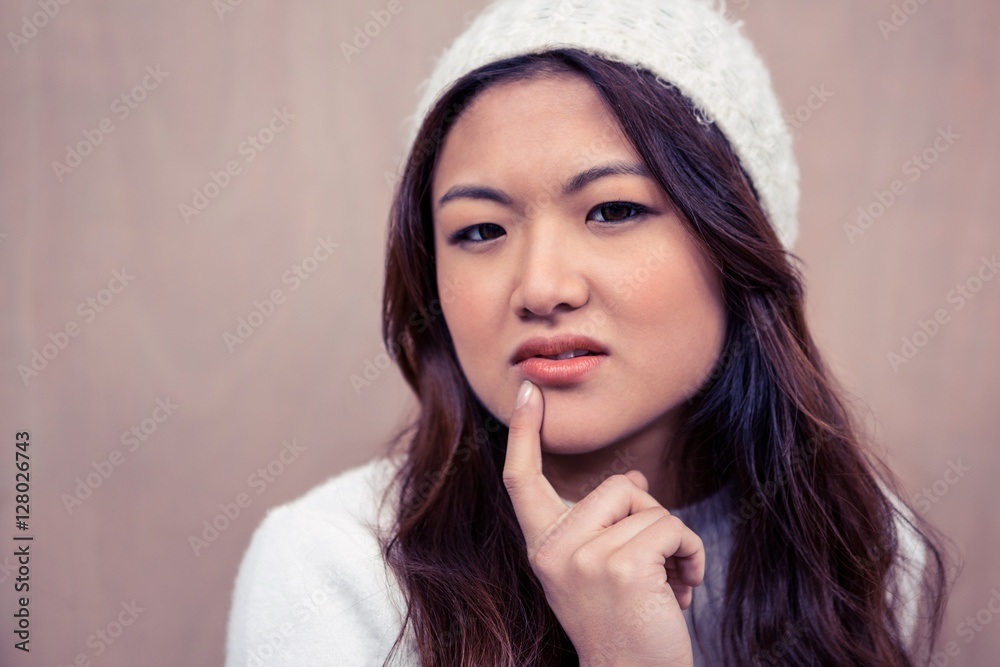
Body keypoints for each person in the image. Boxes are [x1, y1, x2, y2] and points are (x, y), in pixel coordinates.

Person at [225, 0, 949, 664]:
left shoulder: (866, 549)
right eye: (480, 229)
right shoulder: (332, 569)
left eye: (612, 211)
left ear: (739, 242)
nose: (541, 287)